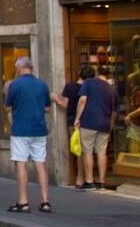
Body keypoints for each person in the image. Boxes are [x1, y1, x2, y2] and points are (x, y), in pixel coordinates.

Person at [5, 56, 52, 213]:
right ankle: (45, 202)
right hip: (39, 129)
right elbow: (47, 108)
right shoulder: (42, 85)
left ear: (19, 68)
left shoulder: (15, 84)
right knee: (41, 164)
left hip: (20, 130)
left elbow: (8, 107)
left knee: (21, 164)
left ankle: (23, 202)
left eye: (16, 68)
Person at [74, 64, 117, 190]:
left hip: (89, 122)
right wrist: (110, 126)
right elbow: (114, 111)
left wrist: (77, 118)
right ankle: (102, 181)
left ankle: (89, 181)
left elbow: (82, 100)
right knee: (101, 152)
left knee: (87, 151)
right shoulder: (110, 87)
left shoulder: (88, 83)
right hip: (104, 123)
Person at [52, 66, 89, 188]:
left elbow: (65, 104)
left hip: (73, 121)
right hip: (88, 121)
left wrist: (56, 98)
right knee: (85, 150)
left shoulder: (70, 87)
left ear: (79, 74)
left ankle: (79, 177)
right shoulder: (90, 88)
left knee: (78, 150)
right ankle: (85, 177)